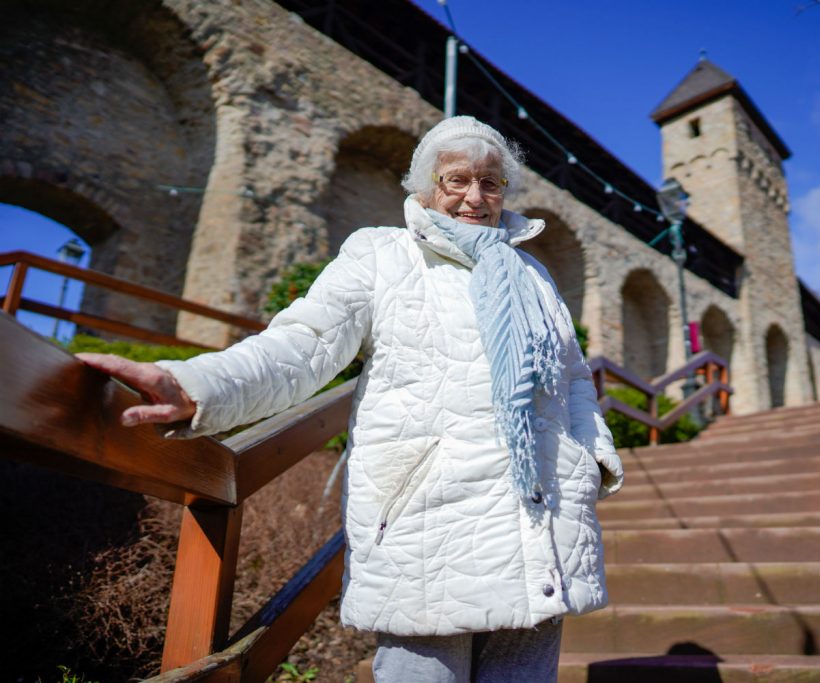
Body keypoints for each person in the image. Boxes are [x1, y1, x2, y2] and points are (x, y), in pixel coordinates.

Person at [78, 115, 624, 683]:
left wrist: (590, 459)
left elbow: (573, 377)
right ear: (422, 186)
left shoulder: (533, 276)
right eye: (456, 179)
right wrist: (194, 386)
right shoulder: (381, 255)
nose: (475, 196)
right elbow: (302, 344)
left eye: (491, 182)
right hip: (430, 522)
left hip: (543, 521)